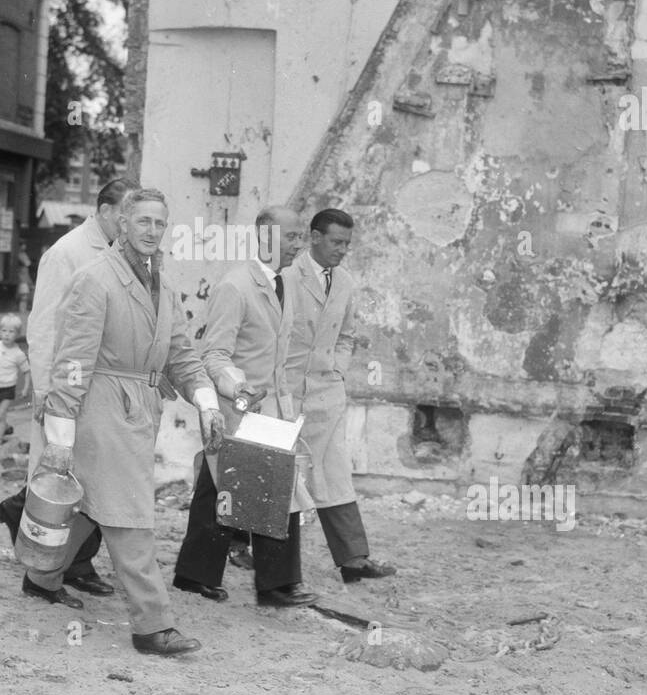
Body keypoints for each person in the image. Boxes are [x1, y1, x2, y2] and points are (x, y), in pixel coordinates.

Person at [25, 187, 225, 657]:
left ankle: (40, 575)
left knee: (93, 505)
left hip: (139, 406)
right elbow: (72, 363)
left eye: (160, 223)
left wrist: (208, 403)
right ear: (121, 225)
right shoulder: (95, 279)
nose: (152, 231)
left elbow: (182, 356)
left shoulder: (164, 285)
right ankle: (152, 625)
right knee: (130, 515)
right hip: (100, 406)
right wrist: (60, 437)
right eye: (143, 222)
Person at [0, 177, 135, 597]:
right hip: (67, 386)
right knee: (64, 476)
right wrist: (45, 389)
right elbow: (43, 326)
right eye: (126, 213)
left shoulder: (121, 253)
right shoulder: (66, 253)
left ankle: (70, 558)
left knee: (91, 475)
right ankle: (48, 568)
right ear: (105, 211)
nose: (132, 223)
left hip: (101, 386)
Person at [173, 207, 318, 607]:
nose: (299, 244)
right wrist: (238, 388)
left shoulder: (285, 283)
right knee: (229, 491)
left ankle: (252, 581)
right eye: (291, 237)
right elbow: (214, 354)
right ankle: (255, 582)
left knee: (260, 487)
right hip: (238, 407)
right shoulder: (235, 287)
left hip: (271, 410)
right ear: (267, 237)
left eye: (300, 236)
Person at [283, 209, 395, 582]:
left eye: (347, 243)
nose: (342, 250)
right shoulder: (286, 276)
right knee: (280, 474)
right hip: (285, 391)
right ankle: (256, 556)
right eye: (335, 242)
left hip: (326, 392)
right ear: (314, 237)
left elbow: (347, 334)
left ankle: (353, 559)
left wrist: (337, 370)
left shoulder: (344, 281)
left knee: (334, 471)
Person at [0, 314, 30, 449]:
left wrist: (25, 388)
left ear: (17, 334)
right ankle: (4, 425)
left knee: (0, 413)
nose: (7, 335)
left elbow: (26, 371)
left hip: (7, 388)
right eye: (4, 331)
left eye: (11, 332)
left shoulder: (18, 353)